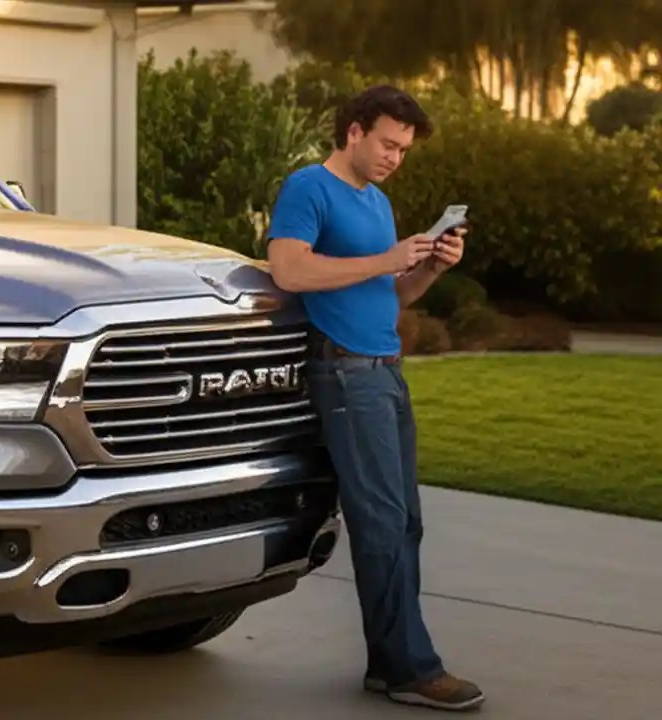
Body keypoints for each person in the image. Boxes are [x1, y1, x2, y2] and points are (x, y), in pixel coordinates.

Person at [265, 85, 484, 712]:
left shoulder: (379, 202)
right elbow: (289, 270)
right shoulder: (309, 187)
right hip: (345, 375)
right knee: (382, 522)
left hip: (385, 370)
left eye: (405, 149)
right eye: (389, 143)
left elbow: (390, 297)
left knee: (405, 522)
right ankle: (411, 669)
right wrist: (385, 257)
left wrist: (429, 267)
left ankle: (392, 665)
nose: (396, 157)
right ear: (355, 130)